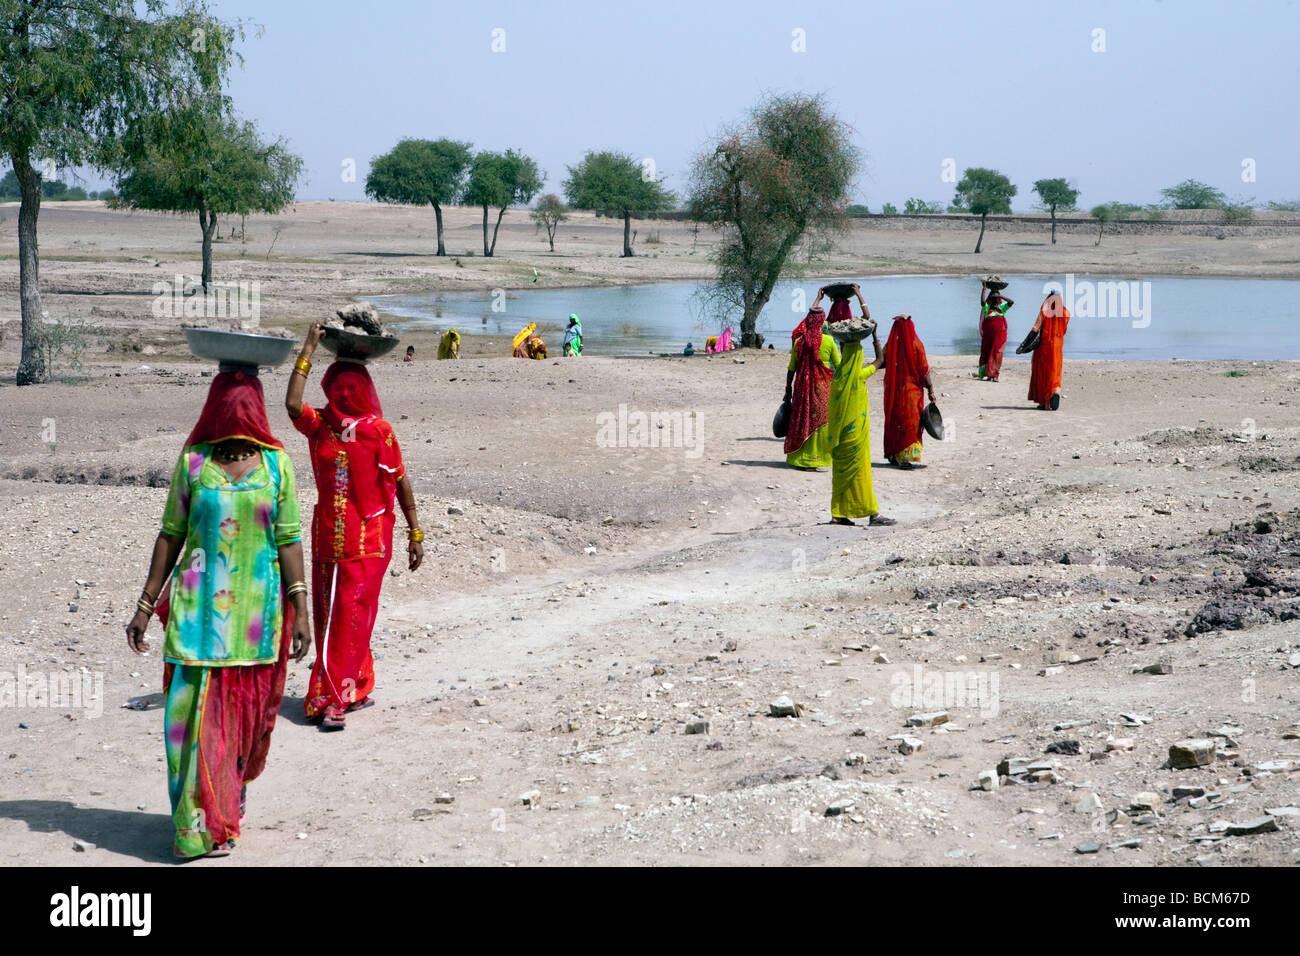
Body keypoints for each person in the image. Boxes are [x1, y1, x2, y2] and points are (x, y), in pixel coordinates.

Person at [125, 367, 310, 859]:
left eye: (244, 401)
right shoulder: (192, 463)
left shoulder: (277, 465)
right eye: (229, 400)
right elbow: (171, 534)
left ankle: (229, 799)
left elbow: (289, 538)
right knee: (188, 724)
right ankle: (196, 828)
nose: (237, 412)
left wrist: (302, 608)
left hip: (256, 620)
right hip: (195, 619)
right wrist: (145, 604)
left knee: (242, 725)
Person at [285, 324, 425, 730]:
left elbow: (399, 479)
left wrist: (416, 533)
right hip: (334, 539)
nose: (342, 396)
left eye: (348, 389)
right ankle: (352, 685)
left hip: (364, 540)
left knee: (352, 616)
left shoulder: (372, 432)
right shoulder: (323, 424)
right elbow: (293, 405)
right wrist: (310, 346)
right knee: (334, 616)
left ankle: (333, 698)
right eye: (338, 389)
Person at [828, 307, 895, 526]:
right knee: (861, 473)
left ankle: (838, 514)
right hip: (855, 435)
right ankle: (873, 513)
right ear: (858, 358)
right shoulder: (859, 374)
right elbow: (881, 360)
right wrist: (875, 334)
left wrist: (847, 343)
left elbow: (846, 347)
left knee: (840, 473)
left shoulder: (839, 375)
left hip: (839, 437)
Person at [784, 304, 838, 469]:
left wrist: (788, 390)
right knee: (821, 420)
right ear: (822, 322)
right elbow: (839, 365)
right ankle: (817, 459)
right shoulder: (829, 341)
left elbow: (791, 369)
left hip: (802, 387)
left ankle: (800, 459)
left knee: (802, 420)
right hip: (823, 388)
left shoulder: (799, 342)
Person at [883, 314, 937, 467]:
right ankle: (906, 458)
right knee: (911, 423)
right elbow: (924, 370)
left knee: (895, 420)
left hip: (894, 391)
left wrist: (874, 337)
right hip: (912, 392)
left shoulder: (891, 345)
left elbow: (882, 361)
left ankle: (893, 454)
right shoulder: (917, 345)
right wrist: (931, 390)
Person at [1028, 290, 1070, 410]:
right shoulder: (1065, 313)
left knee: (1043, 373)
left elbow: (1036, 327)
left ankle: (1044, 403)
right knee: (1055, 371)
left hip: (1045, 346)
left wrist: (1025, 343)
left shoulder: (1045, 311)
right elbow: (1064, 329)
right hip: (1058, 347)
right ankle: (1056, 392)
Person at [978, 281, 1013, 381]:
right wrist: (984, 290)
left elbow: (1011, 302)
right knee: (986, 352)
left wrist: (1001, 296)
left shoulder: (1002, 308)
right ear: (989, 300)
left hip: (999, 337)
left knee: (997, 353)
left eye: (996, 299)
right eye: (992, 298)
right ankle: (987, 374)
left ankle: (994, 374)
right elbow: (982, 302)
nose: (994, 300)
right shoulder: (986, 308)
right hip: (988, 337)